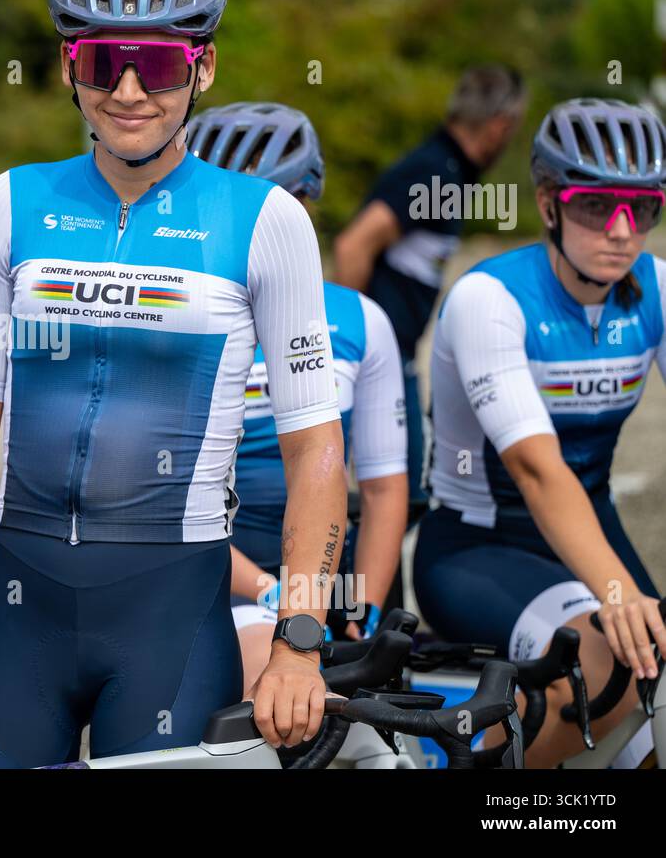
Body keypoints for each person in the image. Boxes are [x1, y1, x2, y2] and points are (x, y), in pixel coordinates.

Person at [0, 0, 346, 769]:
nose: (130, 90)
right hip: (19, 615)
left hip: (171, 623)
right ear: (70, 65)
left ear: (203, 69)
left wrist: (300, 643)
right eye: (104, 61)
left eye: (161, 63)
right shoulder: (7, 203)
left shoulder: (265, 221)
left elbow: (316, 446)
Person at [414, 97, 666, 768]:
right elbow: (535, 470)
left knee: (658, 706)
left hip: (590, 528)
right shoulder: (488, 298)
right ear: (549, 202)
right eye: (595, 205)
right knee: (603, 664)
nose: (620, 230)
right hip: (478, 545)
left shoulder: (657, 286)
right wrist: (616, 591)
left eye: (642, 208)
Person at [187, 102, 407, 689]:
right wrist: (273, 592)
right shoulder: (180, 314)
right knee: (280, 702)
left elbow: (385, 487)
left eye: (278, 211)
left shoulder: (361, 320)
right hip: (218, 564)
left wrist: (368, 606)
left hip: (329, 561)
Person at [333, 65, 526, 501]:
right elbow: (352, 246)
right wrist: (348, 348)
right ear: (500, 126)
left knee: (402, 497)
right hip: (379, 359)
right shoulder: (433, 171)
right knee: (397, 497)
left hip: (396, 356)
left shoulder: (450, 168)